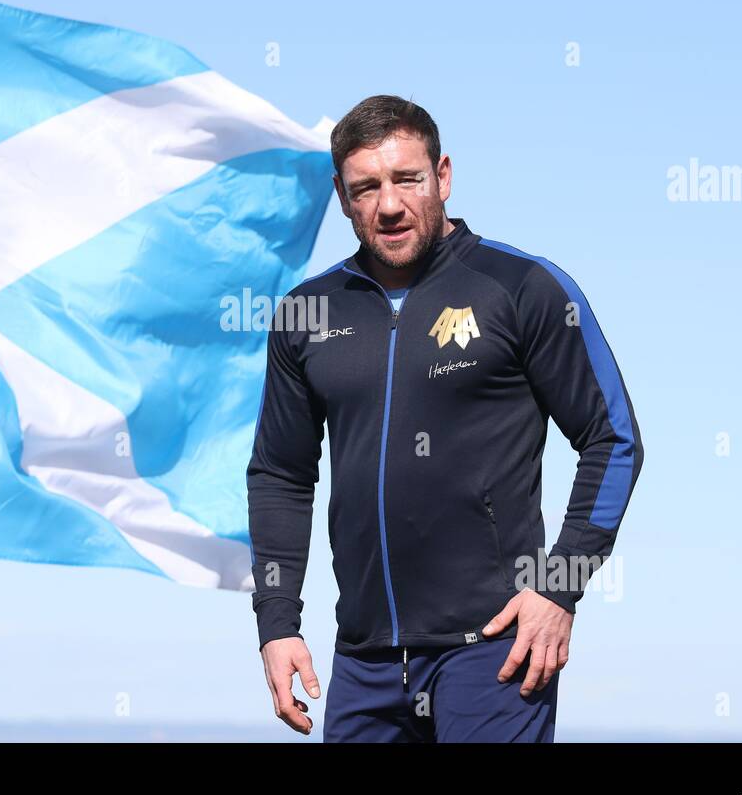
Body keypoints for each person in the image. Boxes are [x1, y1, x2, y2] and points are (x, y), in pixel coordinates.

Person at [246, 94, 644, 742]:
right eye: (366, 187)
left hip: (495, 652)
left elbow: (614, 439)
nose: (390, 203)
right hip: (364, 662)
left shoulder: (522, 289)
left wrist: (561, 585)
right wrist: (278, 622)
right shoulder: (307, 313)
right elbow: (279, 476)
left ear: (444, 176)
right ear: (343, 198)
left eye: (407, 178)